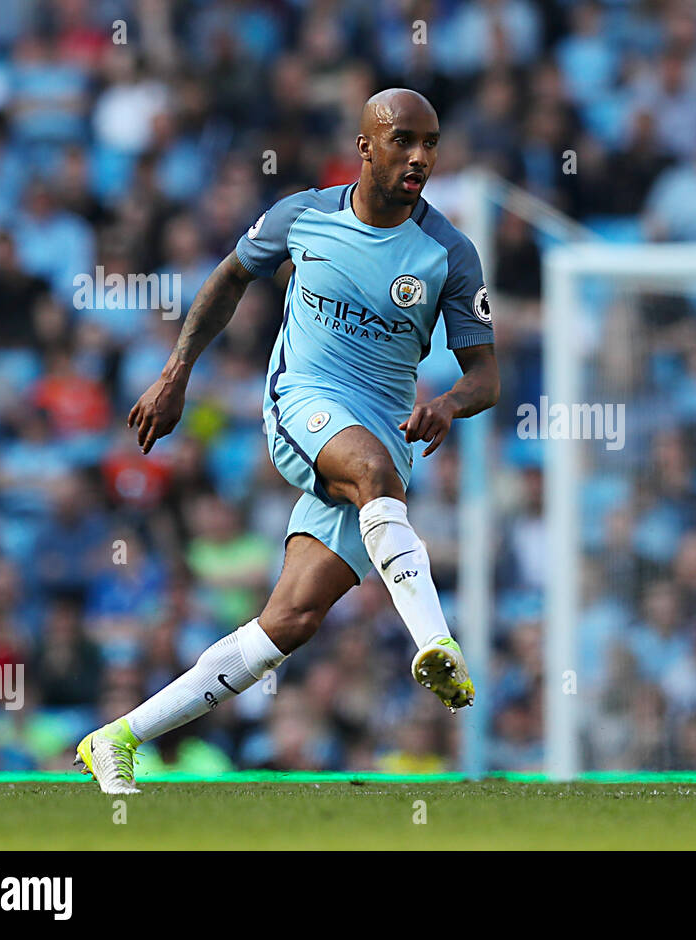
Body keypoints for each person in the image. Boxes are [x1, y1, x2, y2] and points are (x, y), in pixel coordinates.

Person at [75, 89, 500, 794]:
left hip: (386, 438)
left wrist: (449, 405)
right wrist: (176, 372)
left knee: (290, 622)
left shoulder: (448, 254)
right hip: (301, 403)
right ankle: (436, 642)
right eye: (403, 141)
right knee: (369, 472)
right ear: (365, 147)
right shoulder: (303, 215)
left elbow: (486, 375)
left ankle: (116, 738)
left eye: (430, 142)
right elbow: (231, 277)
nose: (420, 156)